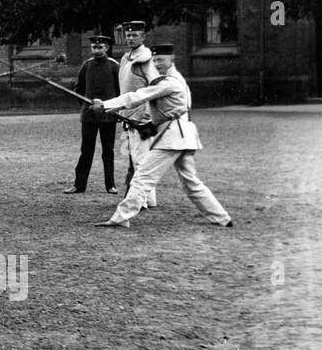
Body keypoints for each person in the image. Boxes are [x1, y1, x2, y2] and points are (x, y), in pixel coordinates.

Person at [91, 44, 233, 228]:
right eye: (155, 60)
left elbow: (138, 96)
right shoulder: (178, 79)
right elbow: (172, 109)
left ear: (172, 60)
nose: (157, 64)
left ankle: (120, 217)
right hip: (183, 136)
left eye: (161, 60)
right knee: (191, 182)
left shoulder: (168, 82)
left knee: (142, 177)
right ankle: (222, 218)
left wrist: (105, 105)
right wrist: (150, 124)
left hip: (172, 138)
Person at [63, 34, 121, 194]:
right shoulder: (86, 66)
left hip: (108, 116)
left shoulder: (114, 66)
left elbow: (120, 90)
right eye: (94, 47)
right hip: (89, 116)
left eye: (100, 47)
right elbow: (78, 89)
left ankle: (110, 185)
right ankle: (79, 185)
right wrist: (85, 106)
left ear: (107, 48)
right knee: (86, 150)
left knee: (108, 151)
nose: (96, 50)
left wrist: (115, 109)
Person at [117, 20, 157, 209]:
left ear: (143, 37)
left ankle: (141, 200)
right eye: (128, 35)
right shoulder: (126, 58)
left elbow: (155, 88)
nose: (131, 38)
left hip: (141, 117)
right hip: (128, 116)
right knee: (135, 158)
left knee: (142, 159)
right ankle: (148, 198)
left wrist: (147, 115)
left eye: (135, 35)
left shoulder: (147, 58)